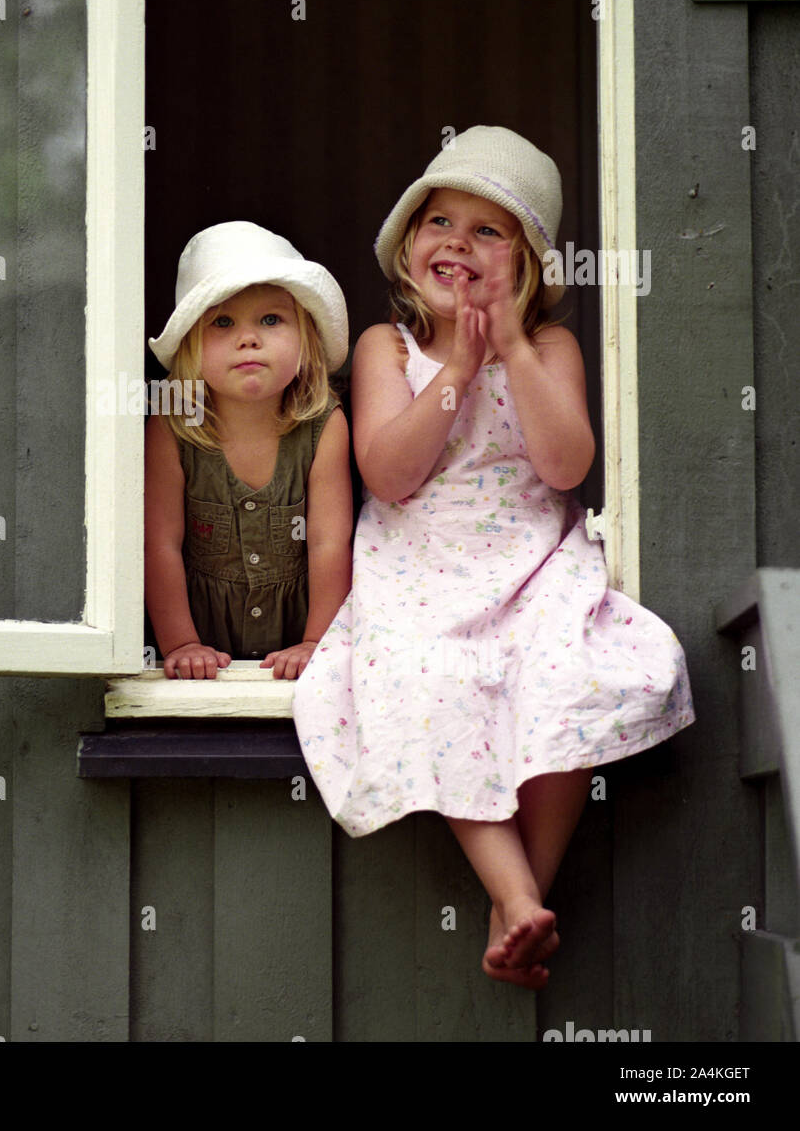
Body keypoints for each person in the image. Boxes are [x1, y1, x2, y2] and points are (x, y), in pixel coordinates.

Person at [292, 127, 694, 988]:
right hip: (418, 569)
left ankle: (517, 901)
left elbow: (565, 467)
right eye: (441, 221)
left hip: (531, 567)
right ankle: (515, 897)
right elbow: (388, 477)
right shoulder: (383, 349)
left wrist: (507, 347)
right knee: (425, 681)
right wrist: (460, 367)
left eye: (488, 231)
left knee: (570, 675)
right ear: (410, 244)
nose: (458, 245)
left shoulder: (549, 350)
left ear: (529, 265)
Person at [145, 222, 354, 681]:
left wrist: (318, 641)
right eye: (223, 322)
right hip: (199, 639)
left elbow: (329, 542)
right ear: (190, 346)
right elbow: (160, 543)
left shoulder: (324, 426)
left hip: (298, 636)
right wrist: (179, 643)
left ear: (306, 340)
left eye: (270, 320)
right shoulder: (172, 425)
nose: (248, 338)